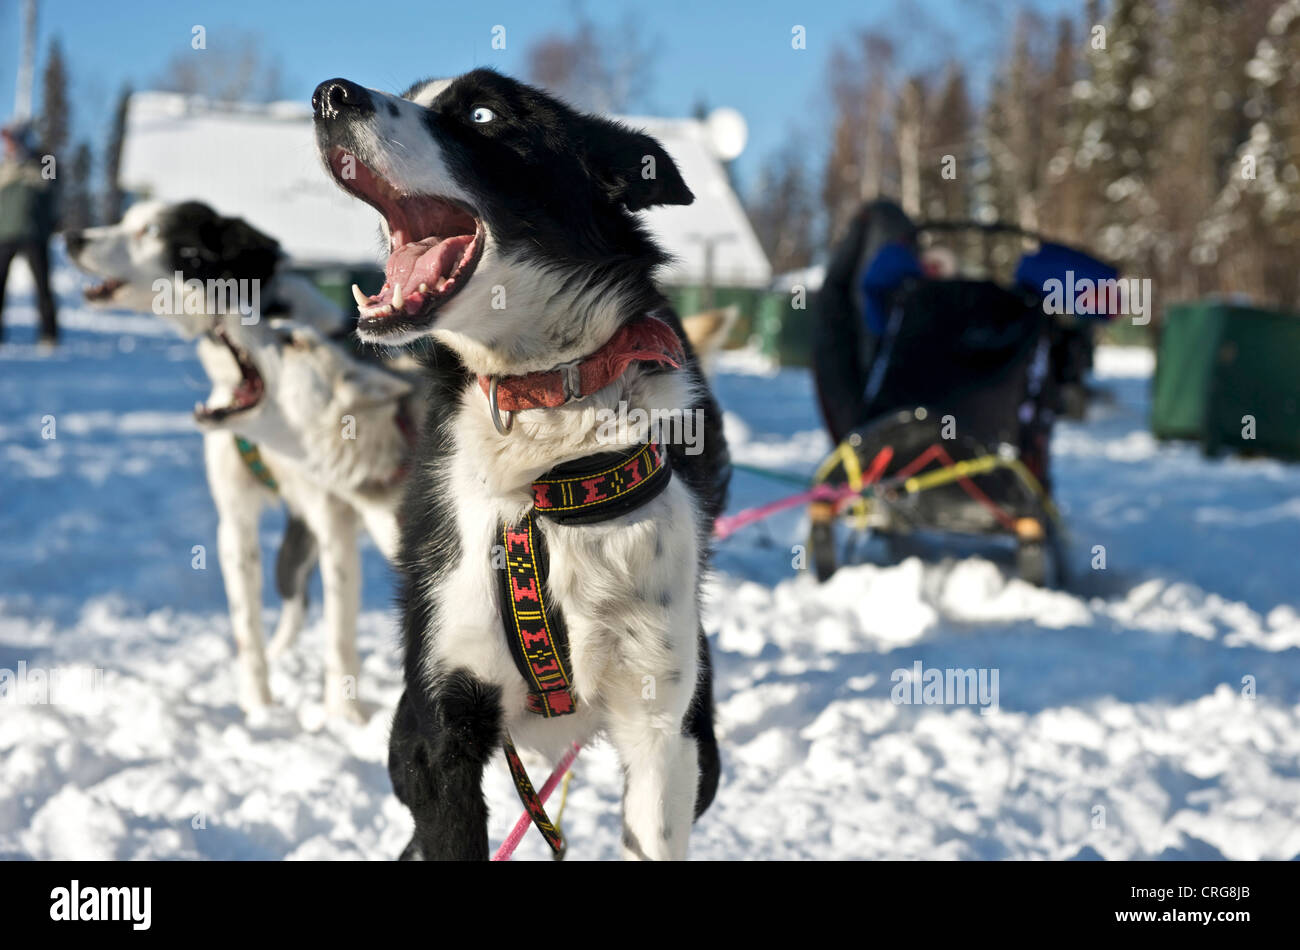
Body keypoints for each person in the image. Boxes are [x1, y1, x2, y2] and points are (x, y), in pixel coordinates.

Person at [0, 121, 58, 345]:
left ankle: (49, 334)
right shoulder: (5, 166)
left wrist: (31, 163)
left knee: (43, 287)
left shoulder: (44, 161)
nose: (10, 145)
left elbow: (50, 181)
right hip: (5, 233)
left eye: (13, 140)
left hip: (35, 234)